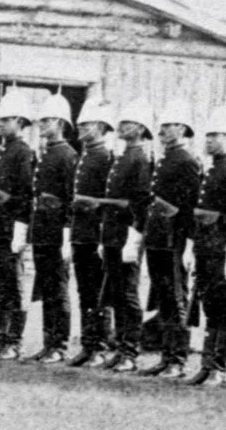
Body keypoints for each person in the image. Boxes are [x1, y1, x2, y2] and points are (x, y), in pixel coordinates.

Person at [139, 106, 203, 379]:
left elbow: (190, 207)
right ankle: (167, 356)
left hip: (174, 238)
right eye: (162, 125)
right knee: (163, 297)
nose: (163, 130)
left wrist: (188, 243)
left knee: (176, 298)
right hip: (158, 238)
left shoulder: (186, 160)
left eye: (170, 125)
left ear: (183, 128)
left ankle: (177, 359)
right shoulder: (165, 158)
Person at [98, 101, 155, 373]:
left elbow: (140, 202)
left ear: (140, 128)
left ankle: (130, 351)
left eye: (127, 124)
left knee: (128, 293)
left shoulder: (140, 159)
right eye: (120, 124)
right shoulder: (123, 156)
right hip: (112, 232)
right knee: (117, 293)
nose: (121, 128)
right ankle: (121, 347)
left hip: (127, 233)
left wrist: (135, 236)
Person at [0, 93, 37, 359]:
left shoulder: (23, 153)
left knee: (12, 286)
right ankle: (2, 338)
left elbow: (26, 195)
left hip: (9, 228)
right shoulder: (2, 152)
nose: (0, 124)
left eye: (5, 120)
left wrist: (20, 227)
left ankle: (13, 340)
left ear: (19, 121)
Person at [187, 114, 226, 384]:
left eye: (215, 136)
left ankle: (218, 367)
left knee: (224, 307)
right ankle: (207, 364)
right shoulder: (212, 168)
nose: (209, 141)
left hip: (221, 247)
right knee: (209, 305)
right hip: (205, 246)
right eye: (207, 136)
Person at [25, 93, 78, 362]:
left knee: (58, 289)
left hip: (57, 232)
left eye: (46, 120)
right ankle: (49, 342)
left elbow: (71, 199)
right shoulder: (46, 154)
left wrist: (68, 234)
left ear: (59, 122)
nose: (41, 125)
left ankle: (59, 345)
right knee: (46, 288)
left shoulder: (68, 156)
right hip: (43, 231)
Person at [66, 99, 117, 366]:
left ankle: (99, 344)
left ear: (99, 127)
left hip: (95, 233)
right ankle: (88, 343)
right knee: (85, 290)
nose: (80, 128)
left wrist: (101, 233)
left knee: (97, 290)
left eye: (86, 124)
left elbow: (108, 199)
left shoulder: (106, 157)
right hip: (81, 232)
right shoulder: (85, 155)